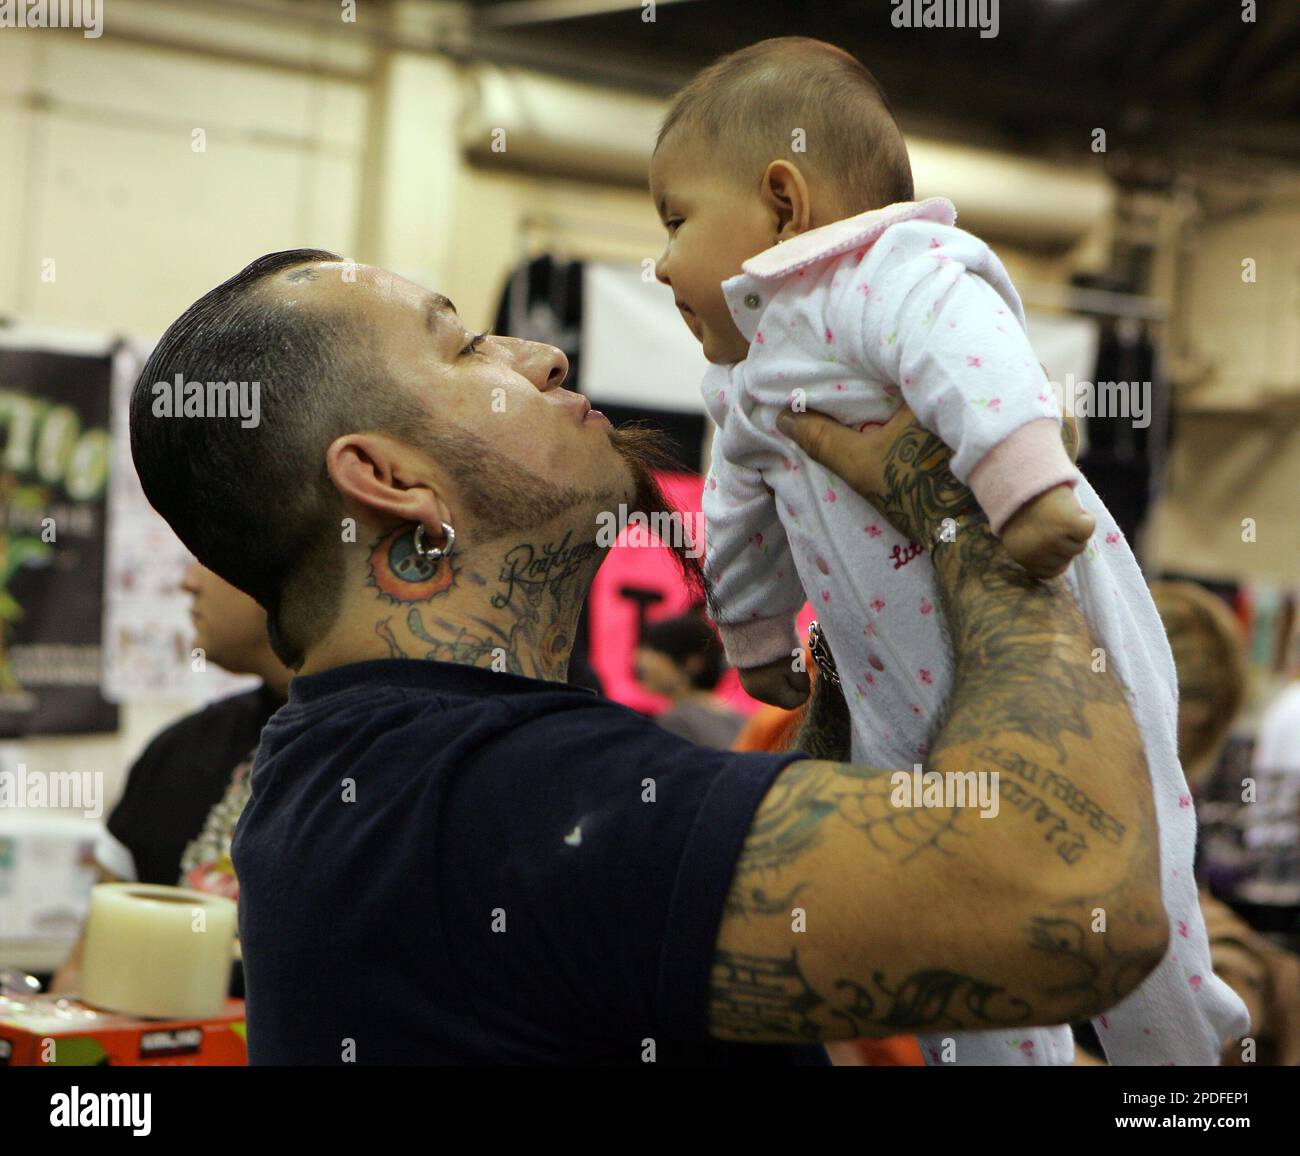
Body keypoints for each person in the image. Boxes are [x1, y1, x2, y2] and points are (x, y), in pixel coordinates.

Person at [127, 248, 1169, 1065]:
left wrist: (867, 604)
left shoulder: (397, 764)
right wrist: (981, 516)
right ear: (389, 478)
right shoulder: (485, 799)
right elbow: (1074, 902)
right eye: (464, 350)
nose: (542, 359)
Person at [649, 36, 1247, 1065]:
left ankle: (1188, 1060)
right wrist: (749, 635)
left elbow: (976, 363)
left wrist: (1023, 487)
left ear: (782, 201)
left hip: (1060, 632)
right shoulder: (741, 383)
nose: (658, 261)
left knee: (1130, 865)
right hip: (895, 691)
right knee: (954, 930)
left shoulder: (888, 275)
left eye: (673, 221)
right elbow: (738, 515)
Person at [50, 562, 291, 994]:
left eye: (211, 556)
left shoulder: (391, 756)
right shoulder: (179, 750)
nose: (187, 581)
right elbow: (85, 970)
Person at [635, 610, 747, 749]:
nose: (641, 661)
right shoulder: (737, 717)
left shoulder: (678, 720)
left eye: (654, 651)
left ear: (691, 663)